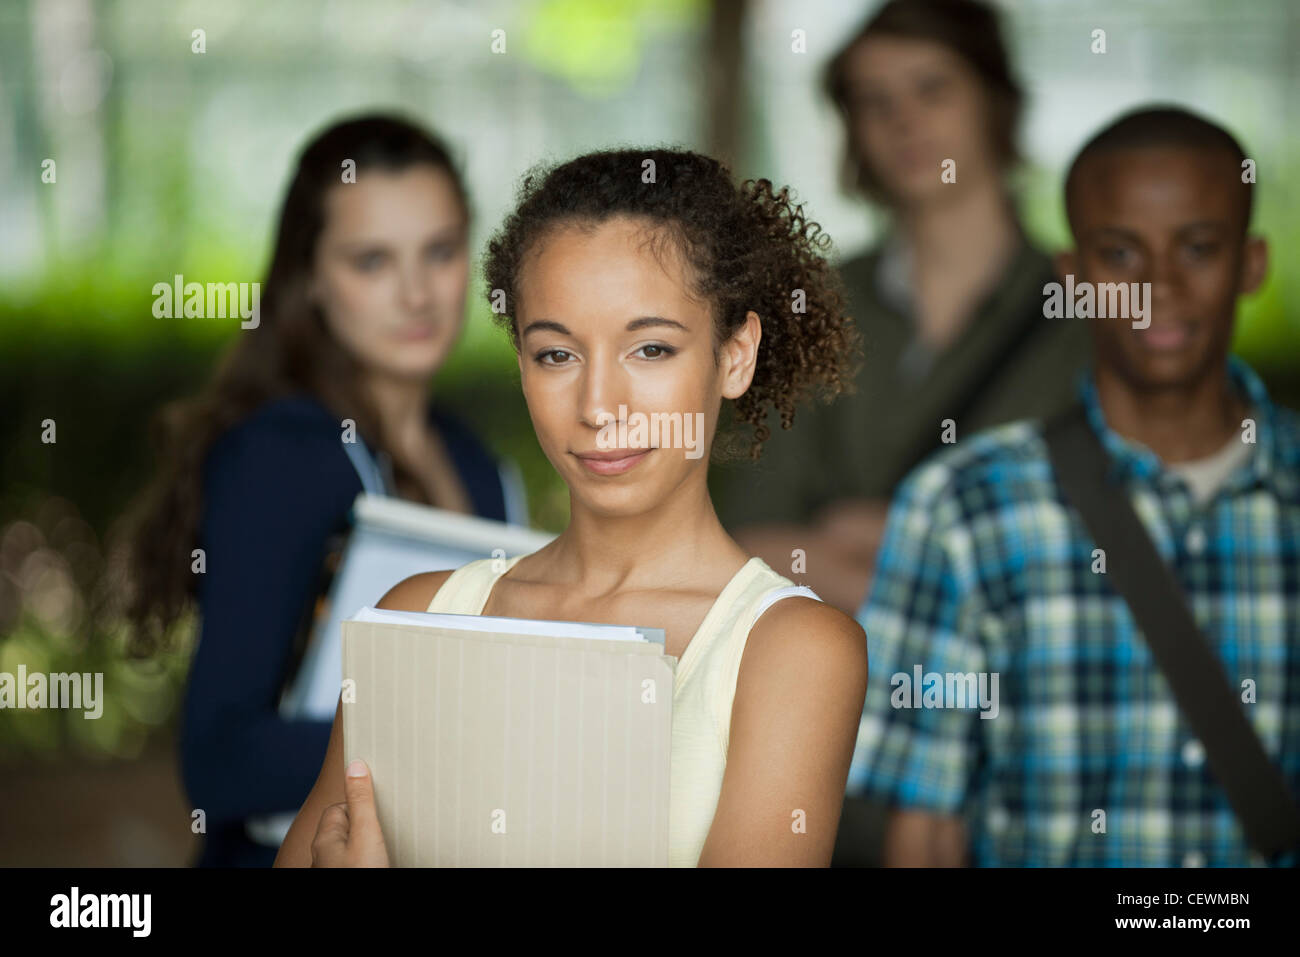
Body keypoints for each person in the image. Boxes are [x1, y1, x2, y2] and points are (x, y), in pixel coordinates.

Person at [273, 147, 870, 868]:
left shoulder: (790, 650)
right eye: (557, 355)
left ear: (735, 354)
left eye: (650, 349)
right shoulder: (422, 616)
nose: (598, 407)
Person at [849, 105, 1299, 866]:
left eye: (1199, 247)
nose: (1159, 285)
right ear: (1074, 277)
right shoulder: (964, 510)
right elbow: (925, 833)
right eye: (1121, 253)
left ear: (1251, 265)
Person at [122, 114, 527, 867]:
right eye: (371, 260)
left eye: (439, 252)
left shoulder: (481, 466)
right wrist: (456, 741)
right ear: (309, 276)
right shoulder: (281, 455)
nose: (416, 292)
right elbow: (218, 757)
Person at [714, 0, 1086, 615]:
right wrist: (932, 579)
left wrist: (864, 539)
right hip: (838, 695)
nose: (904, 120)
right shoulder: (803, 307)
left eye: (931, 88)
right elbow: (746, 544)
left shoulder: (1087, 314)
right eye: (873, 100)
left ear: (997, 101)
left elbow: (1093, 555)